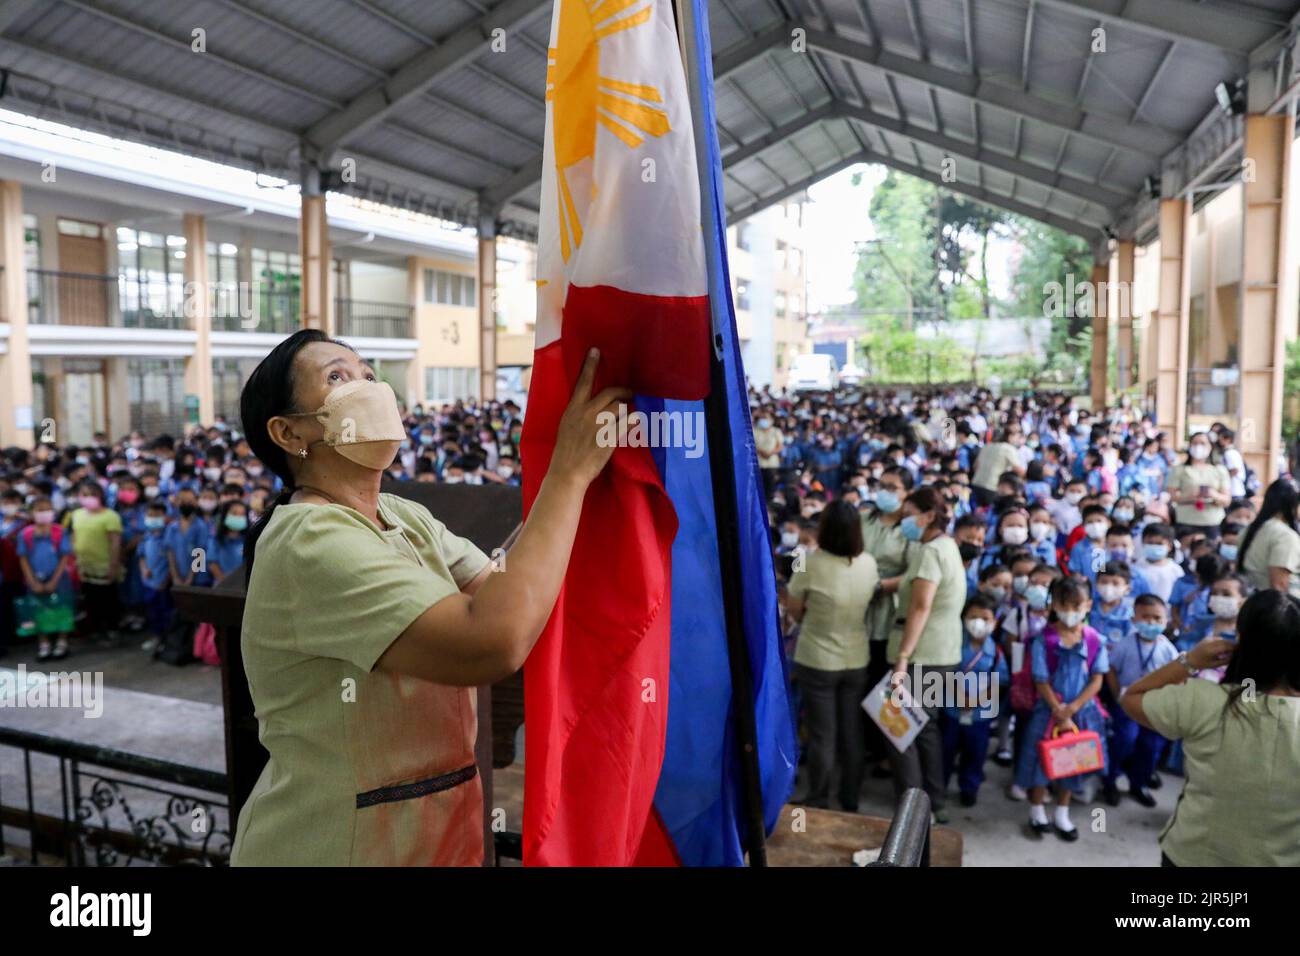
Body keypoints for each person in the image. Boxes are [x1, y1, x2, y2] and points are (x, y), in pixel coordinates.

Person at [230, 330, 629, 866]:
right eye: (336, 377)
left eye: (368, 375)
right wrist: (568, 472)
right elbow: (491, 639)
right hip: (331, 845)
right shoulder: (309, 539)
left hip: (436, 840)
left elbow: (512, 594)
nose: (368, 388)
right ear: (288, 432)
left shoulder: (404, 516)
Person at [1121, 589, 1300, 866]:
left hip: (1194, 854)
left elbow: (1131, 698)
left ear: (1240, 641)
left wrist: (1188, 661)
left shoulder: (1205, 700)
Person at [785, 500, 879, 812]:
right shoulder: (869, 563)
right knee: (851, 731)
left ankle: (819, 798)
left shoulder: (808, 563)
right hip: (856, 657)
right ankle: (849, 798)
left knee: (822, 735)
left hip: (818, 659)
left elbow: (795, 609)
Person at [880, 486, 966, 823]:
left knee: (899, 729)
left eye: (908, 514)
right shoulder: (947, 546)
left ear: (929, 515)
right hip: (944, 651)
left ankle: (912, 810)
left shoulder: (929, 552)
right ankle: (935, 799)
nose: (904, 521)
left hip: (921, 654)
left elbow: (920, 605)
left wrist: (902, 658)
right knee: (926, 728)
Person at [1013, 576, 1109, 842]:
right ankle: (1036, 809)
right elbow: (1040, 679)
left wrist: (1072, 708)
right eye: (1064, 604)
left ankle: (1062, 812)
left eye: (1077, 605)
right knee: (1040, 762)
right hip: (1048, 712)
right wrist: (1058, 709)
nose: (1070, 611)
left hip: (1081, 713)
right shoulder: (1044, 639)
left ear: (1088, 605)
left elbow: (1097, 679)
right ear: (1053, 604)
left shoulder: (1094, 639)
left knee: (1072, 763)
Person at [1103, 594, 1177, 807]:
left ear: (1166, 621)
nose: (1151, 623)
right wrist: (1118, 695)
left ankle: (1139, 783)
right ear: (1134, 619)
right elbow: (1112, 669)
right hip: (1127, 703)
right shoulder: (1125, 644)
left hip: (1155, 706)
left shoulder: (1167, 648)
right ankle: (1111, 781)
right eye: (1145, 617)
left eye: (1157, 618)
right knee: (1123, 740)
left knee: (1151, 746)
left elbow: (1176, 675)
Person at [940, 594, 1009, 806]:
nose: (978, 622)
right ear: (963, 618)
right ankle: (938, 786)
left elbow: (1000, 682)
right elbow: (945, 672)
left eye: (985, 618)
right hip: (951, 710)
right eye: (973, 616)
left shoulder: (996, 653)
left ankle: (969, 787)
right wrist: (960, 696)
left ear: (994, 622)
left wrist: (978, 700)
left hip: (980, 715)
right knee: (945, 751)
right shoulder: (953, 644)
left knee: (976, 753)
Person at [16, 497, 75, 660]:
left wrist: (54, 580)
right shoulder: (25, 534)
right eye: (40, 510)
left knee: (62, 608)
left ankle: (62, 642)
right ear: (31, 513)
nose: (44, 513)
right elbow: (23, 559)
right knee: (39, 610)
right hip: (34, 579)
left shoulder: (59, 531)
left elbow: (64, 557)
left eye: (47, 509)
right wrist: (32, 581)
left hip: (59, 578)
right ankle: (44, 643)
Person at [65, 480, 123, 645]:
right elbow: (73, 537)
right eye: (84, 494)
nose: (88, 498)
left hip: (104, 565)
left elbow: (115, 543)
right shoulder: (76, 514)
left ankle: (112, 629)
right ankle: (96, 629)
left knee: (108, 600)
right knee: (90, 600)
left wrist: (113, 565)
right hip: (84, 565)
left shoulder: (110, 516)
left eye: (92, 494)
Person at [1238, 478, 1300, 599]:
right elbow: (1279, 585)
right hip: (1273, 607)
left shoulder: (1252, 528)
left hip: (1254, 601)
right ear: (1293, 504)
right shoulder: (1284, 536)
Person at [1166, 431, 1231, 540]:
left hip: (1213, 521)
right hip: (1186, 520)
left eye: (1202, 443)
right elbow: (1171, 495)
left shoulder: (1219, 470)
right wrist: (1190, 495)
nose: (1198, 447)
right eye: (1194, 443)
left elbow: (1227, 499)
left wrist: (1213, 495)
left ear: (1210, 447)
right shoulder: (1179, 469)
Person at [971, 427, 1025, 508]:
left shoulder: (987, 446)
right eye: (1017, 437)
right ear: (1009, 437)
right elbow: (1019, 470)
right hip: (992, 487)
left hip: (976, 484)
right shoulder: (1008, 448)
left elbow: (975, 466)